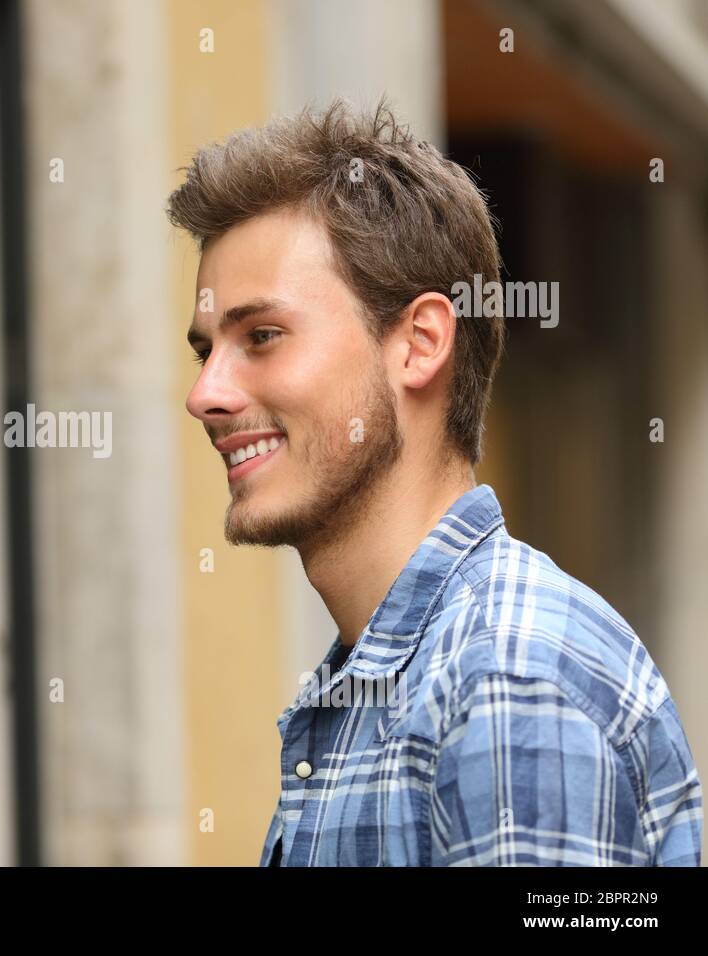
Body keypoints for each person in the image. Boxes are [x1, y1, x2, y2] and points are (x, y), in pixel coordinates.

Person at [167, 99, 702, 866]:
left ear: (419, 344)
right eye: (206, 351)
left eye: (263, 336)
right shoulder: (388, 680)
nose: (206, 394)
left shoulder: (506, 681)